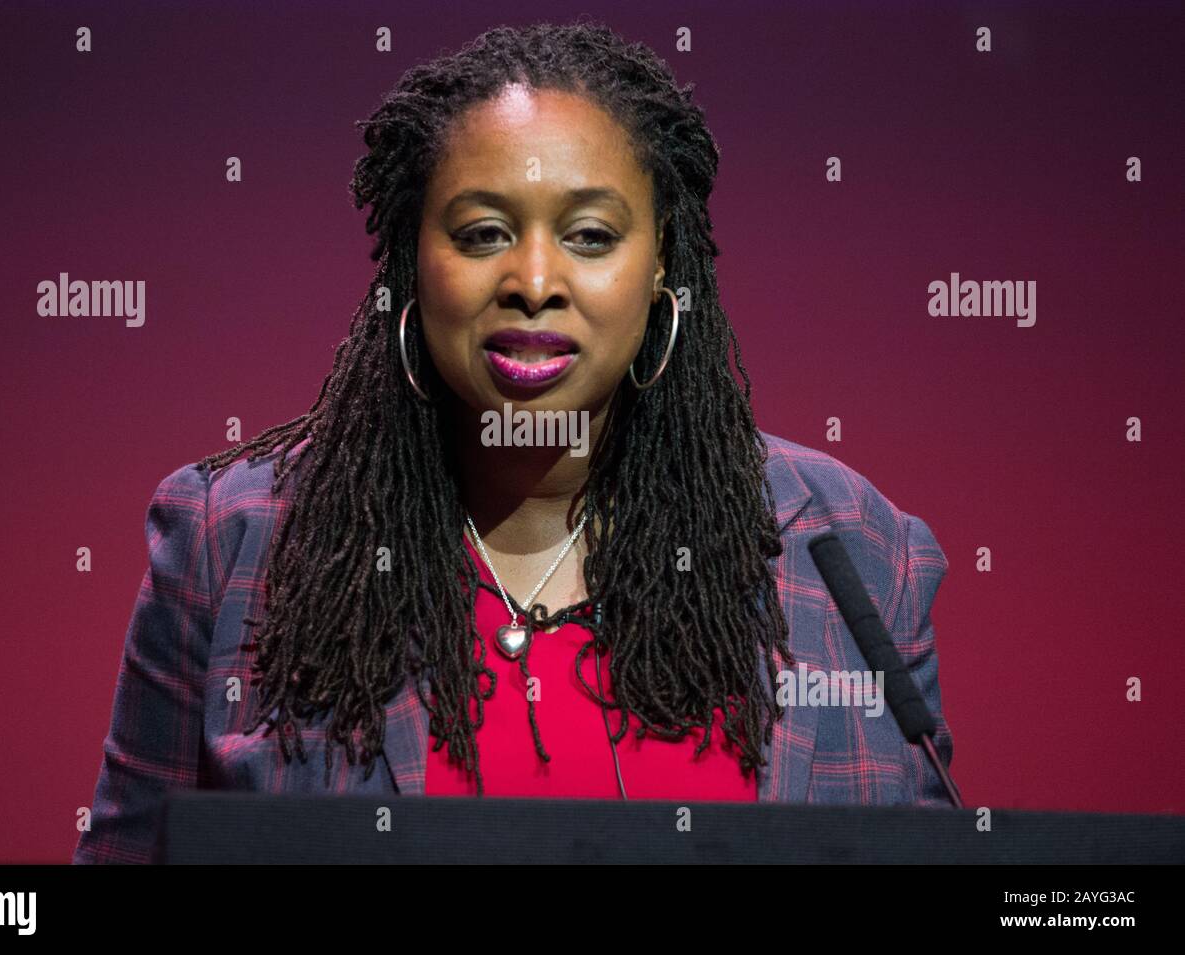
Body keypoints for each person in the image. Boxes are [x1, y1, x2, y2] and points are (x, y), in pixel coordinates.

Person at [74, 19, 953, 864]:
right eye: (484, 232)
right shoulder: (232, 545)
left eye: (591, 236)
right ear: (411, 262)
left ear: (660, 269)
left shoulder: (852, 551)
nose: (534, 281)